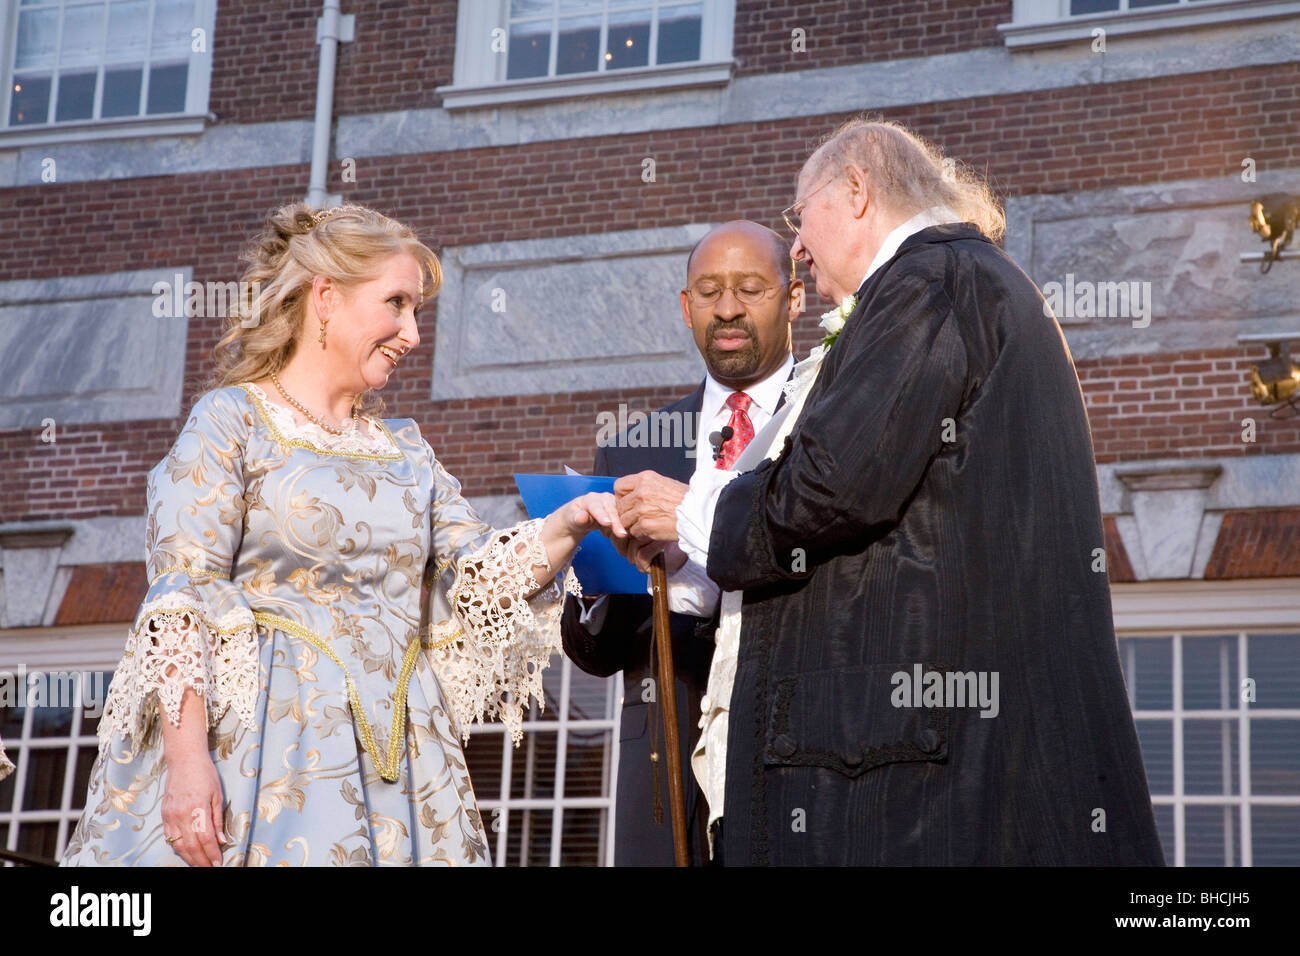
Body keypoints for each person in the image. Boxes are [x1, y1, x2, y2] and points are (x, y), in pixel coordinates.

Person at [618, 118, 1166, 866]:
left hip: (912, 791)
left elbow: (831, 488)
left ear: (857, 189)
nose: (800, 249)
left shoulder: (930, 284)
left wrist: (687, 513)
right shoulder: (963, 283)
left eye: (799, 217)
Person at [61, 202, 627, 867]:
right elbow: (182, 597)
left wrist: (569, 521)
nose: (412, 334)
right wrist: (188, 766)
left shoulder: (407, 453)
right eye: (396, 304)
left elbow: (477, 580)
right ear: (325, 298)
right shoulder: (232, 421)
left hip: (403, 765)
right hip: (261, 758)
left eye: (417, 312)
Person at [562, 221, 800, 865]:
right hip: (661, 773)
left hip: (795, 754)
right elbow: (596, 652)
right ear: (685, 305)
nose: (727, 308)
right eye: (709, 290)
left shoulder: (828, 421)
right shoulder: (633, 445)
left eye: (750, 289)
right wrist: (601, 578)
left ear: (795, 298)